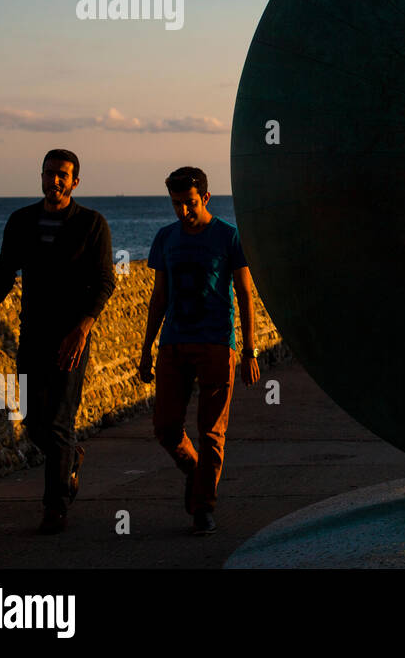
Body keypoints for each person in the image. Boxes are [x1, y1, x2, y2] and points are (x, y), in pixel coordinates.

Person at [0, 150, 116, 534]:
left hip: (72, 338)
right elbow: (5, 270)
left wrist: (82, 329)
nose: (55, 180)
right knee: (35, 426)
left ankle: (56, 507)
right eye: (49, 173)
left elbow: (105, 283)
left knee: (59, 421)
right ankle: (69, 458)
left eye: (63, 175)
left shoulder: (91, 224)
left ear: (75, 182)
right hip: (32, 334)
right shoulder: (22, 221)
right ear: (41, 176)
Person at [139, 166, 259, 535]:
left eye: (189, 203)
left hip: (216, 344)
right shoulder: (166, 238)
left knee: (211, 433)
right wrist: (146, 350)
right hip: (174, 343)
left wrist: (250, 350)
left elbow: (244, 294)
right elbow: (159, 297)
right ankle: (195, 471)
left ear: (205, 197)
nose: (183, 211)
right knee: (165, 427)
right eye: (176, 204)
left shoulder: (228, 236)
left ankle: (203, 507)